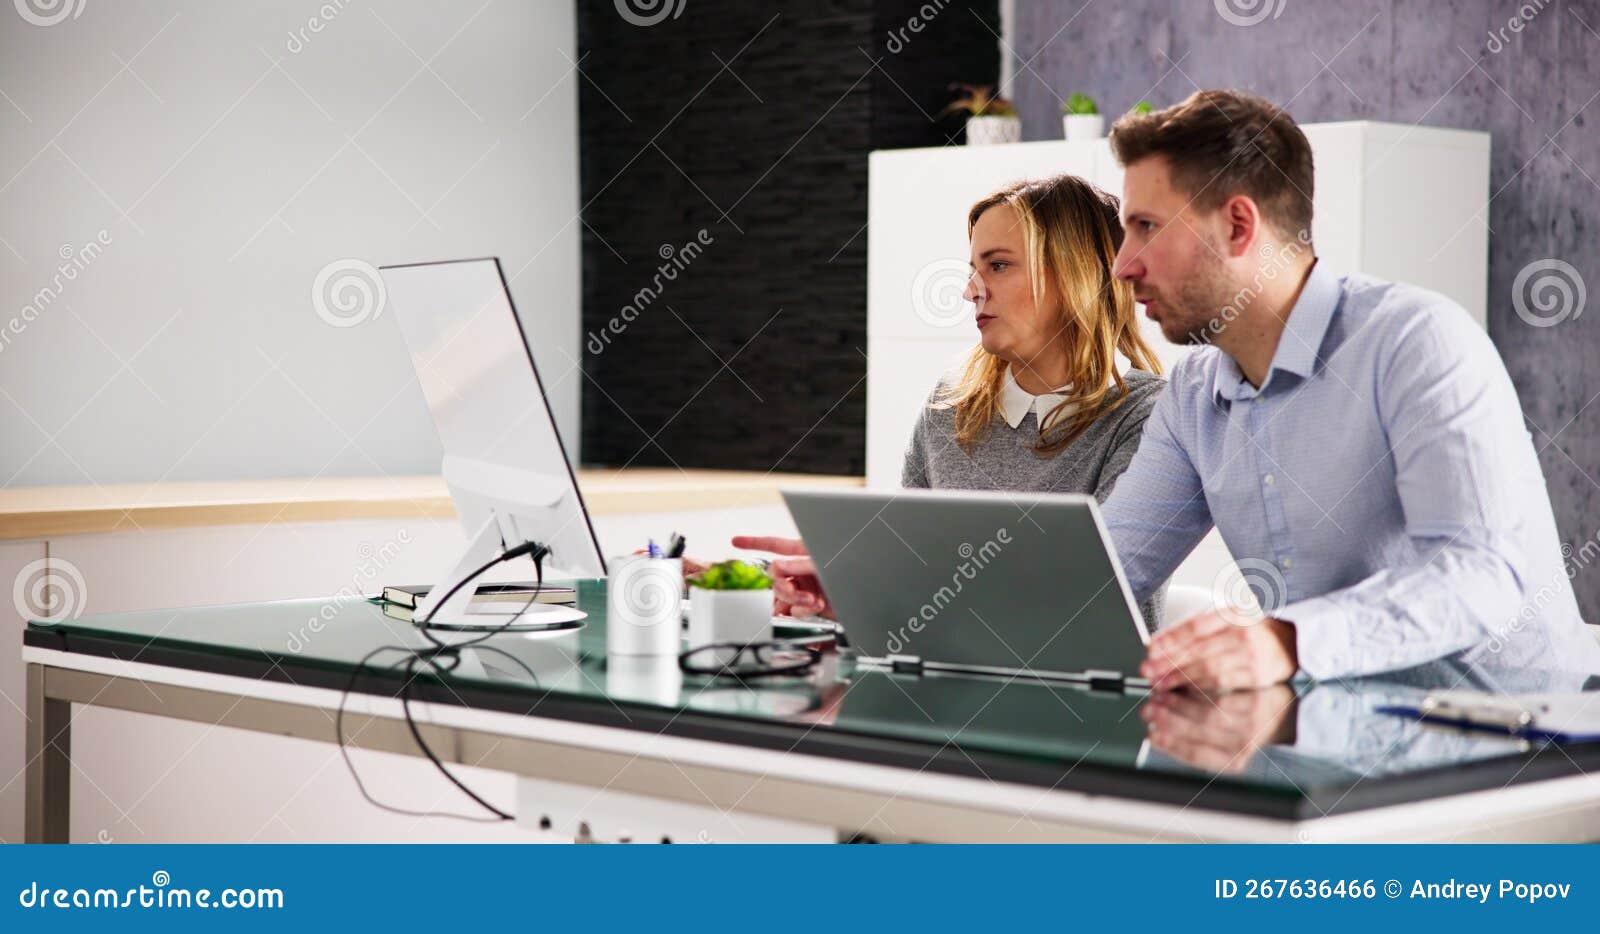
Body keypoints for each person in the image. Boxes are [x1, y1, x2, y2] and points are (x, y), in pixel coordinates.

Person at [1100, 88, 1600, 692]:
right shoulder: (1191, 397)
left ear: (1238, 225)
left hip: (1524, 748)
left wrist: (1287, 641)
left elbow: (1481, 574)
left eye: (1146, 228)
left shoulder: (1416, 343)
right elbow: (1102, 575)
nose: (1124, 265)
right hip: (1350, 744)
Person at [734, 174, 1169, 628]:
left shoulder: (1147, 417)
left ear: (1077, 274)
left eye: (998, 265)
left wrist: (881, 579)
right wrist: (849, 591)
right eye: (972, 271)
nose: (970, 291)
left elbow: (1088, 592)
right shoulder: (950, 407)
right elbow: (916, 584)